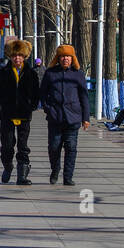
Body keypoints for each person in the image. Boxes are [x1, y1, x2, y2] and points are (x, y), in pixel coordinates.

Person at [39, 44, 89, 185]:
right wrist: (47, 107)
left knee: (71, 148)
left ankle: (68, 177)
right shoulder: (50, 73)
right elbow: (42, 93)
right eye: (62, 56)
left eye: (68, 56)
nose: (65, 59)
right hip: (55, 117)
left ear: (72, 58)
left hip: (73, 118)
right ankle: (55, 169)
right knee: (54, 147)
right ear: (58, 58)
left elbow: (84, 97)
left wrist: (85, 118)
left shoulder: (78, 74)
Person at [0, 39, 40, 185]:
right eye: (14, 55)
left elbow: (36, 93)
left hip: (24, 115)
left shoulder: (31, 73)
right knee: (7, 146)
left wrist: (32, 105)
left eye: (20, 55)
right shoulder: (2, 73)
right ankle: (8, 166)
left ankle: (22, 175)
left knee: (23, 146)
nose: (17, 58)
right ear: (10, 56)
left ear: (25, 56)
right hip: (7, 114)